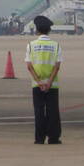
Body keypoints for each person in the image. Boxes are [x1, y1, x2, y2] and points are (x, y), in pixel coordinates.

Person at [25, 15, 63, 144]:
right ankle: (53, 137)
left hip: (37, 84)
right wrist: (49, 82)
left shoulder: (31, 45)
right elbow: (57, 67)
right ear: (49, 30)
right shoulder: (56, 45)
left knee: (39, 112)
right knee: (53, 112)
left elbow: (29, 66)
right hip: (52, 85)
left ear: (37, 30)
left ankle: (39, 138)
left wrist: (39, 81)